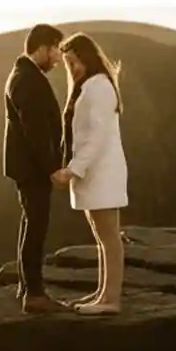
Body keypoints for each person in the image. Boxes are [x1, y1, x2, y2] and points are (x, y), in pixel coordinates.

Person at [51, 33, 127, 315]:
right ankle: (103, 292)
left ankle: (112, 300)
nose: (72, 68)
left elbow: (96, 137)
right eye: (68, 63)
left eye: (74, 61)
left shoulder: (100, 88)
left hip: (101, 173)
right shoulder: (92, 86)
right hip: (94, 173)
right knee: (102, 235)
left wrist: (73, 170)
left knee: (109, 236)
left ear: (87, 57)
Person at [2, 23, 70, 314]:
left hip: (25, 167)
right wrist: (52, 166)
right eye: (55, 50)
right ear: (42, 47)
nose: (57, 58)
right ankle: (35, 294)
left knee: (30, 223)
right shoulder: (28, 80)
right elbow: (35, 129)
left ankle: (26, 286)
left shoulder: (23, 75)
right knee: (36, 227)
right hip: (32, 169)